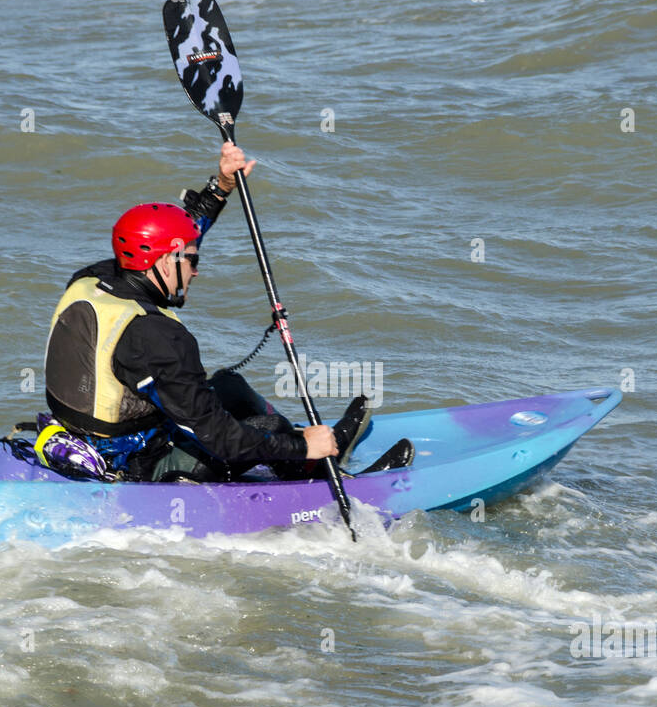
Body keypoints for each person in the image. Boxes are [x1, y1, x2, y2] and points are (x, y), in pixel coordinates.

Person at [41, 141, 412, 483]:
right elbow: (221, 438)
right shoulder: (156, 336)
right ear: (166, 264)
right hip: (135, 465)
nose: (197, 270)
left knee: (230, 387)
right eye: (192, 260)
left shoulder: (93, 278)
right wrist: (298, 446)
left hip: (84, 430)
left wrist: (221, 187)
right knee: (259, 425)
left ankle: (317, 452)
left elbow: (179, 236)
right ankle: (315, 466)